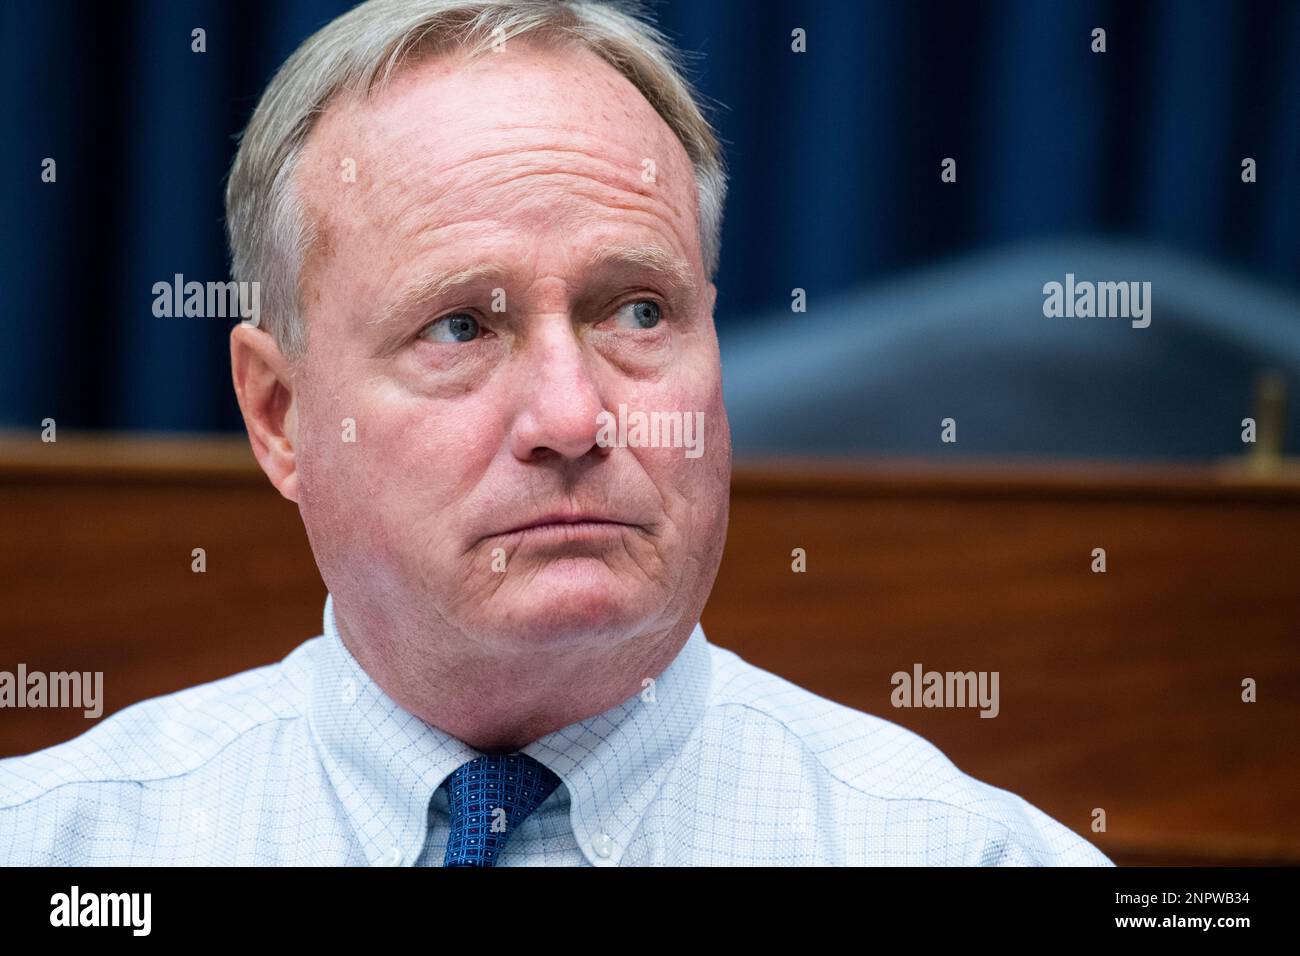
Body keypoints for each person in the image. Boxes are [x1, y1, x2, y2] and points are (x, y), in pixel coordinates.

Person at [0, 0, 1110, 866]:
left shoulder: (962, 851)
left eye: (637, 310)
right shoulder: (68, 845)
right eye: (459, 325)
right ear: (279, 415)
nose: (574, 418)